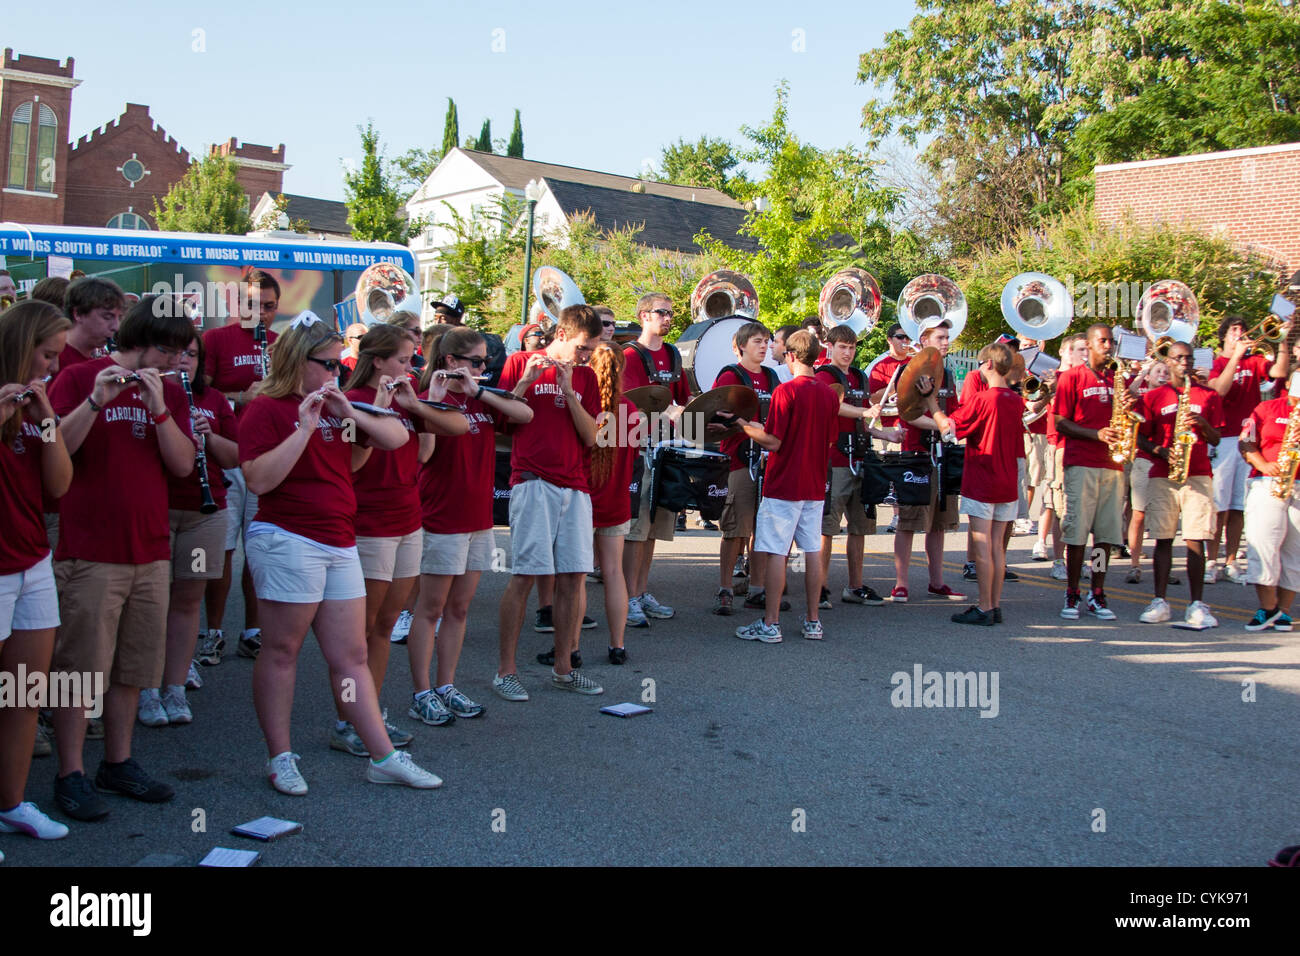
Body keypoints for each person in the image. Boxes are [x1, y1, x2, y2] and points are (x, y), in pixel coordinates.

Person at [238, 312, 442, 793]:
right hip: (287, 537)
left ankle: (383, 756)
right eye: (328, 365)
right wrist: (305, 428)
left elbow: (395, 438)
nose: (336, 374)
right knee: (282, 650)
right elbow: (260, 479)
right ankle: (280, 756)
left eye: (338, 365)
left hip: (339, 538)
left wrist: (350, 413)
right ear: (297, 361)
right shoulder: (266, 408)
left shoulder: (338, 402)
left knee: (351, 655)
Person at [47, 296, 197, 821]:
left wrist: (159, 407)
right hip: (90, 551)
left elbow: (181, 466)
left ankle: (119, 761)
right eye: (167, 349)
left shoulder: (170, 392)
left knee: (133, 667)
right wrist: (94, 401)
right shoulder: (79, 378)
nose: (174, 361)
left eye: (181, 351)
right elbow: (55, 451)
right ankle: (69, 772)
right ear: (139, 341)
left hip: (151, 550)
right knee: (79, 669)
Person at [332, 325, 468, 752]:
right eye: (406, 359)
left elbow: (431, 449)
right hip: (369, 525)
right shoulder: (348, 403)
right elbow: (352, 463)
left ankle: (369, 716)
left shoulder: (407, 400)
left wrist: (420, 406)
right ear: (378, 362)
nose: (414, 367)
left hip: (409, 522)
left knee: (387, 625)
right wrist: (378, 407)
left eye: (415, 359)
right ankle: (347, 722)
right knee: (361, 633)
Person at [406, 327, 534, 725]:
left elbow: (525, 414)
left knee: (459, 609)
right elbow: (423, 455)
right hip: (441, 516)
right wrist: (436, 399)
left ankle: (446, 685)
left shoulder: (481, 398)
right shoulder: (429, 398)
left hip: (477, 518)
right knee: (430, 609)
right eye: (477, 362)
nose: (484, 368)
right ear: (450, 361)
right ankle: (421, 691)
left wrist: (477, 391)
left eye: (486, 362)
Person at [494, 305, 604, 700]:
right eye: (581, 347)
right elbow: (502, 423)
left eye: (591, 348)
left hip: (575, 486)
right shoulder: (520, 360)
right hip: (532, 481)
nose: (586, 355)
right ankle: (505, 670)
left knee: (574, 576)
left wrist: (570, 391)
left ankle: (564, 667)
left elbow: (592, 436)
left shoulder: (587, 376)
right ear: (561, 333)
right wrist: (524, 384)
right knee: (525, 574)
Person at [0, 301, 74, 843]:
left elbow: (59, 487)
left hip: (32, 561)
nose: (51, 367)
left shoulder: (36, 404)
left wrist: (48, 425)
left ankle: (12, 802)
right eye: (46, 354)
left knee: (24, 692)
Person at [139, 328, 238, 728]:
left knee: (186, 601)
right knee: (151, 603)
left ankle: (175, 686)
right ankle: (144, 686)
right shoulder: (145, 393)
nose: (184, 362)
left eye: (192, 355)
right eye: (178, 353)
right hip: (157, 508)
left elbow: (234, 457)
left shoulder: (213, 401)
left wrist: (207, 434)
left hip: (203, 511)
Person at [730, 330, 840, 642]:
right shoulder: (830, 394)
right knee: (812, 551)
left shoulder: (786, 391)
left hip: (784, 484)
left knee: (778, 552)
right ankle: (813, 621)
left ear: (791, 356)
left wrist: (743, 426)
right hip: (815, 484)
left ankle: (771, 623)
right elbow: (829, 438)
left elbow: (774, 441)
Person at [200, 269, 280, 665]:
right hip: (228, 454)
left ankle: (253, 630)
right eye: (252, 305)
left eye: (268, 306)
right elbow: (200, 392)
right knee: (223, 550)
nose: (260, 313)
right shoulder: (215, 339)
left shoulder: (282, 345)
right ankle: (212, 630)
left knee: (259, 547)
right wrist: (242, 396)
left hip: (266, 457)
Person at [928, 342, 1023, 625]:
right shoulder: (1016, 400)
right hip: (1007, 479)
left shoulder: (984, 399)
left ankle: (983, 607)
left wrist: (931, 401)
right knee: (997, 547)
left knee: (982, 545)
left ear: (990, 365)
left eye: (982, 364)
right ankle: (993, 604)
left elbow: (949, 427)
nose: (980, 369)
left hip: (983, 476)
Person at [1135, 341, 1224, 626]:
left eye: (1188, 358)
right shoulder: (1153, 396)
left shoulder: (1208, 395)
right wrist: (1160, 451)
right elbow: (1140, 437)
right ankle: (1159, 600)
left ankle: (1197, 604)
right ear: (1168, 361)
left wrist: (1201, 422)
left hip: (1197, 472)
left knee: (1196, 538)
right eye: (1178, 358)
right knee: (1163, 538)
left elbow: (1216, 438)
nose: (1184, 362)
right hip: (1163, 472)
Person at [621, 292, 690, 627]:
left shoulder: (674, 354)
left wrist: (706, 423)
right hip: (639, 449)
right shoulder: (630, 356)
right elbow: (627, 404)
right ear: (644, 315)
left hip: (667, 448)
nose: (668, 319)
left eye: (671, 314)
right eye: (662, 312)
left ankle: (642, 590)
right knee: (637, 529)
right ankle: (627, 597)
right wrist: (669, 412)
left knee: (654, 531)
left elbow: (685, 402)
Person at [815, 324, 891, 607]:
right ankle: (820, 587)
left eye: (852, 347)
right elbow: (833, 405)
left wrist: (885, 433)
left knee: (861, 526)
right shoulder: (823, 375)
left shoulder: (860, 377)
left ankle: (855, 586)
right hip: (835, 460)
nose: (847, 352)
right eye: (842, 347)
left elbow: (864, 420)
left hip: (861, 456)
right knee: (828, 527)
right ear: (830, 347)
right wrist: (864, 410)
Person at [1207, 316, 1287, 583]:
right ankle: (1211, 560)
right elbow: (1219, 390)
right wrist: (1236, 357)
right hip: (1224, 437)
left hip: (1249, 437)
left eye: (1242, 329)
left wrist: (1283, 339)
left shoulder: (1254, 361)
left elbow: (1278, 372)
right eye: (1234, 331)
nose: (1240, 334)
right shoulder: (1215, 363)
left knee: (1239, 505)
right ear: (1224, 337)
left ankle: (1230, 560)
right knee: (1219, 505)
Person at [891, 318, 964, 603]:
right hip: (916, 454)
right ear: (923, 342)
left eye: (947, 338)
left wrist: (950, 425)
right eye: (940, 338)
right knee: (908, 521)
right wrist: (942, 425)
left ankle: (937, 581)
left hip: (943, 454)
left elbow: (954, 410)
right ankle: (900, 583)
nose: (945, 342)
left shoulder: (947, 374)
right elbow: (907, 414)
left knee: (939, 522)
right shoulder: (907, 371)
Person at [1054, 324, 1124, 620]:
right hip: (1082, 462)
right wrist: (1096, 434)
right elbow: (1060, 422)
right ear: (1090, 345)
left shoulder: (1117, 379)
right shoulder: (1071, 378)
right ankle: (1072, 592)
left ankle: (1097, 591)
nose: (1108, 346)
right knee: (1077, 533)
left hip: (1113, 465)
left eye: (1110, 341)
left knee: (1105, 537)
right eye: (1102, 341)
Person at [711, 322, 780, 616]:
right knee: (735, 530)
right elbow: (713, 414)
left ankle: (757, 589)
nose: (763, 346)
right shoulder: (731, 375)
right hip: (739, 461)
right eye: (756, 341)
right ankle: (725, 589)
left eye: (766, 341)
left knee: (763, 531)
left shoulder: (772, 376)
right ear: (740, 345)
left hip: (768, 461)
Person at [580, 344, 639, 663]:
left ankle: (570, 647)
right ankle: (617, 645)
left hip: (584, 499)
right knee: (614, 572)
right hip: (617, 500)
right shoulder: (632, 410)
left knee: (576, 575)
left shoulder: (585, 406)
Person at [1239, 356, 1300, 631]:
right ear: (1288, 383)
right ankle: (1268, 607)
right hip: (1267, 482)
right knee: (1262, 543)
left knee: (1295, 551)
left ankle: (1284, 611)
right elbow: (1246, 442)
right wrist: (1263, 463)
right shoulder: (1265, 407)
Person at [1123, 357, 1171, 581]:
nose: (1163, 374)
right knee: (1139, 513)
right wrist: (1142, 372)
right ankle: (1134, 564)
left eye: (1166, 371)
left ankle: (1164, 567)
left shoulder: (1177, 397)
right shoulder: (1142, 397)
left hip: (1169, 462)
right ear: (1149, 377)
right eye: (1158, 371)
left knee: (1165, 516)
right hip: (1144, 459)